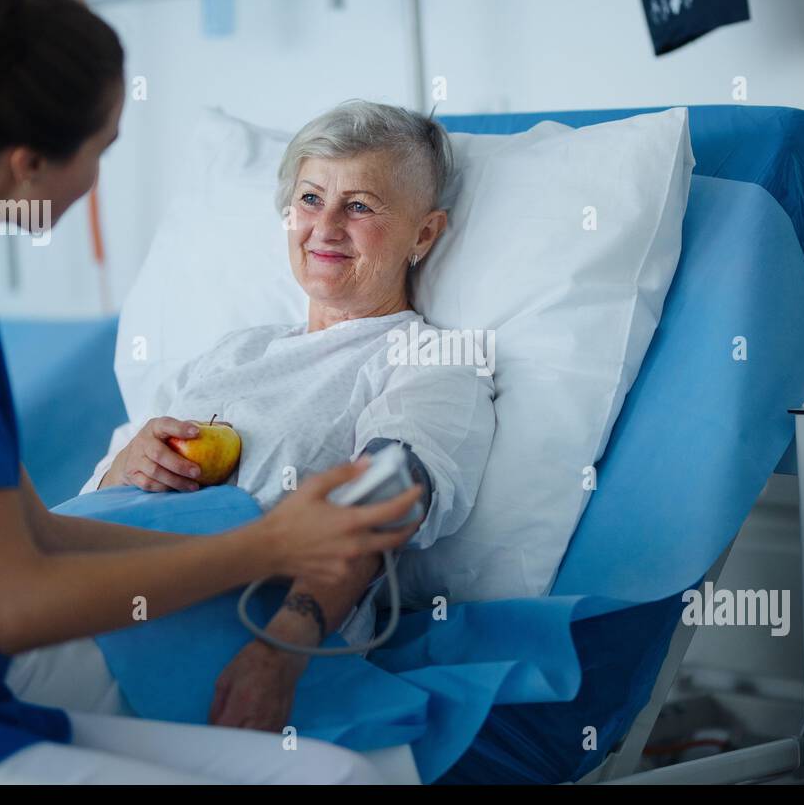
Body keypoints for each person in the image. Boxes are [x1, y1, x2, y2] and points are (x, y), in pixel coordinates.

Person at [0, 0, 420, 785]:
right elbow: (13, 605)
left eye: (361, 206)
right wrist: (268, 540)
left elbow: (42, 532)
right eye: (101, 148)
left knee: (337, 776)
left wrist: (271, 556)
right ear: (27, 161)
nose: (95, 179)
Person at [76, 101, 496, 731]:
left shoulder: (427, 358)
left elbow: (388, 496)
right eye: (308, 198)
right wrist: (129, 466)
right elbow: (89, 503)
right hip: (78, 582)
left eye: (359, 205)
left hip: (194, 628)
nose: (323, 227)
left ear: (425, 234)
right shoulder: (234, 351)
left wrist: (278, 650)